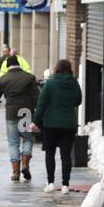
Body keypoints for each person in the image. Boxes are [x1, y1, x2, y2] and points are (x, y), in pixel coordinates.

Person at [32, 59, 84, 194]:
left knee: (50, 153)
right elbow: (78, 100)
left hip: (51, 124)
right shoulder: (74, 84)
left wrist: (35, 121)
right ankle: (65, 185)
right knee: (66, 156)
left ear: (56, 69)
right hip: (69, 124)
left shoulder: (50, 84)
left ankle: (50, 183)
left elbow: (41, 104)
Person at [0, 61, 41, 182]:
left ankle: (15, 172)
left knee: (13, 143)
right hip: (26, 112)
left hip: (11, 113)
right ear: (18, 64)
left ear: (7, 66)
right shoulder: (29, 77)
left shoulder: (3, 79)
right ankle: (25, 163)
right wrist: (38, 116)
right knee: (27, 138)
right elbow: (37, 98)